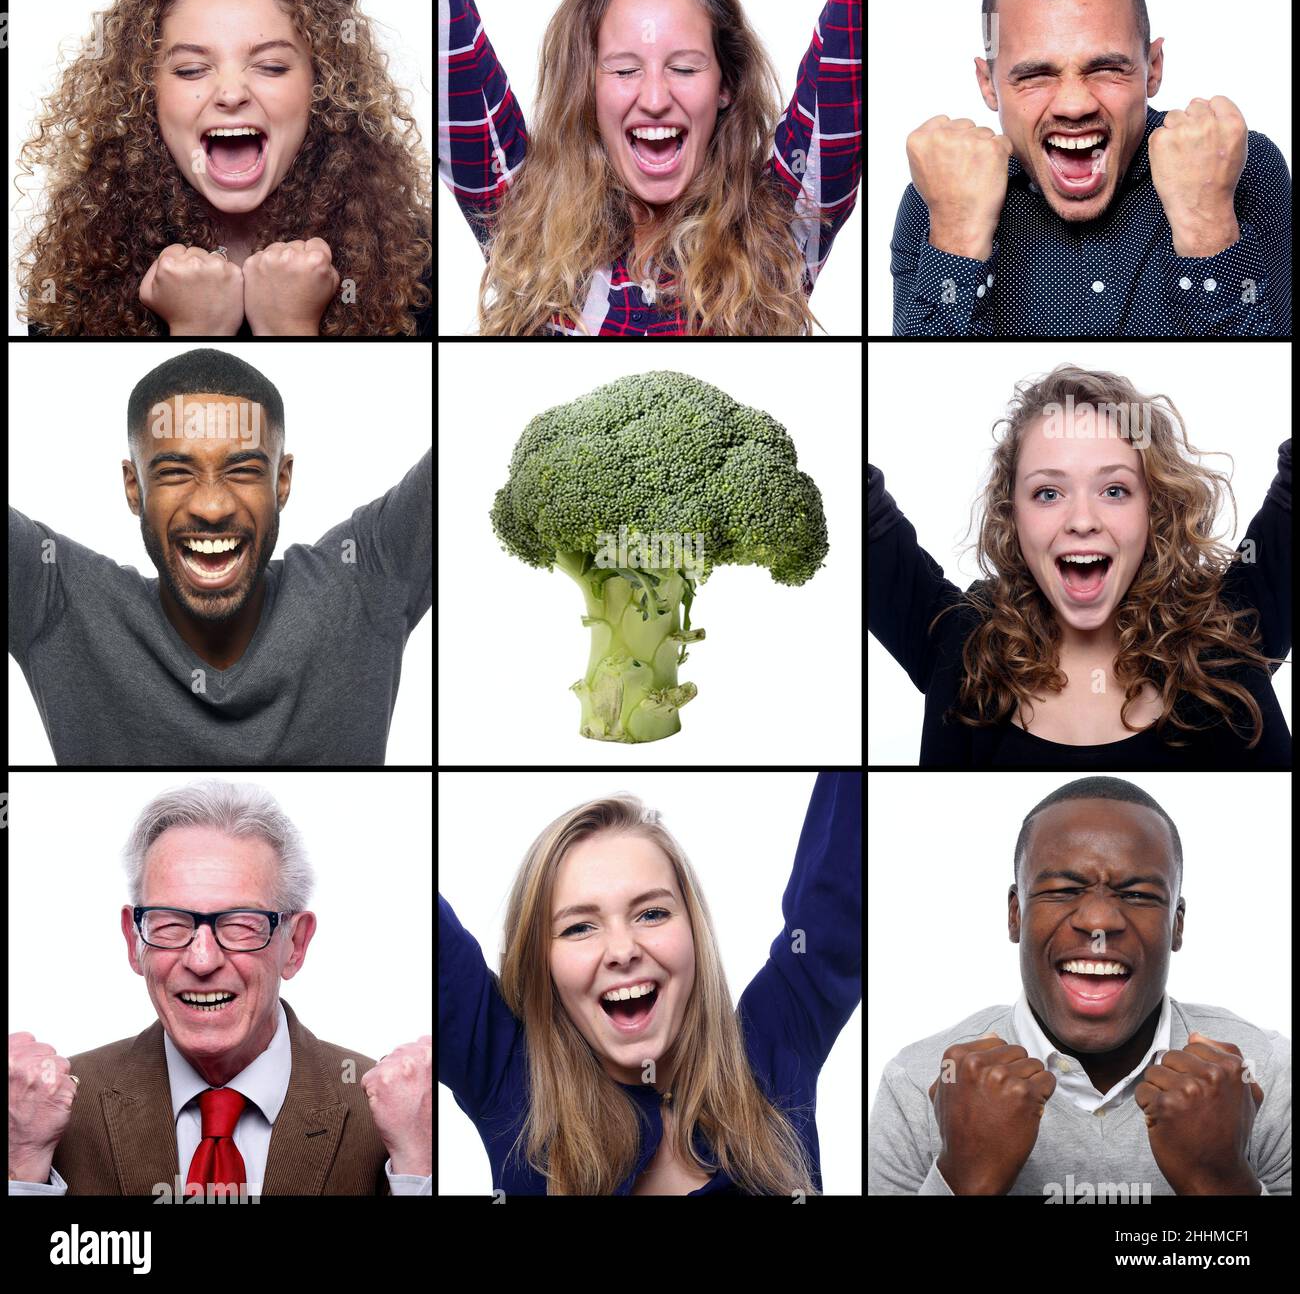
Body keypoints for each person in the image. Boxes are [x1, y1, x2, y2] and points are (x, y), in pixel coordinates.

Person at [437, 0, 861, 335]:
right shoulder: (528, 217)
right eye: (624, 71)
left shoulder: (781, 230)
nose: (655, 100)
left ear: (725, 84)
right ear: (588, 88)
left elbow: (850, 24)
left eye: (685, 69)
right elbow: (450, 34)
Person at [439, 774, 860, 1194]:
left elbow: (843, 873)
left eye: (652, 914)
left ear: (694, 931)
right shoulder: (509, 1078)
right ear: (541, 962)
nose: (622, 950)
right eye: (579, 927)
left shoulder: (772, 1048)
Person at [868, 778, 1290, 1196]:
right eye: (1064, 890)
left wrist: (1219, 1183)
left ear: (1177, 925)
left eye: (1139, 895)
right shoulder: (919, 1083)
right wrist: (966, 1181)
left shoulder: (1267, 1075)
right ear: (1016, 914)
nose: (1100, 922)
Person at [8, 779, 431, 1196]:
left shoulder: (393, 1119)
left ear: (295, 944)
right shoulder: (42, 1111)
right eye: (171, 924)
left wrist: (419, 1171)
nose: (202, 960)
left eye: (240, 925)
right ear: (133, 939)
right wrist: (21, 1166)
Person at [7, 350, 432, 765]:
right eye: (175, 472)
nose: (211, 507)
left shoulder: (366, 578)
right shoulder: (54, 598)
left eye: (243, 470)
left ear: (281, 484)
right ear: (134, 488)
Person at [17, 0, 431, 336]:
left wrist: (290, 325)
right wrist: (197, 328)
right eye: (192, 70)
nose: (231, 94)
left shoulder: (411, 267)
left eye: (271, 67)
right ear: (147, 95)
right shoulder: (80, 274)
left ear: (321, 90)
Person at [868, 365, 1291, 766]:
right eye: (1049, 493)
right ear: (1012, 512)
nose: (1082, 521)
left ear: (1154, 507)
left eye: (1114, 489)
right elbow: (856, 502)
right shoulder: (959, 646)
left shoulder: (1230, 633)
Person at [891, 0, 1291, 336]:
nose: (1074, 104)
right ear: (988, 84)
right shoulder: (936, 198)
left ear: (1153, 67)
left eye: (1105, 69)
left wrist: (1207, 225)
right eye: (1035, 75)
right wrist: (957, 233)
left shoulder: (1240, 166)